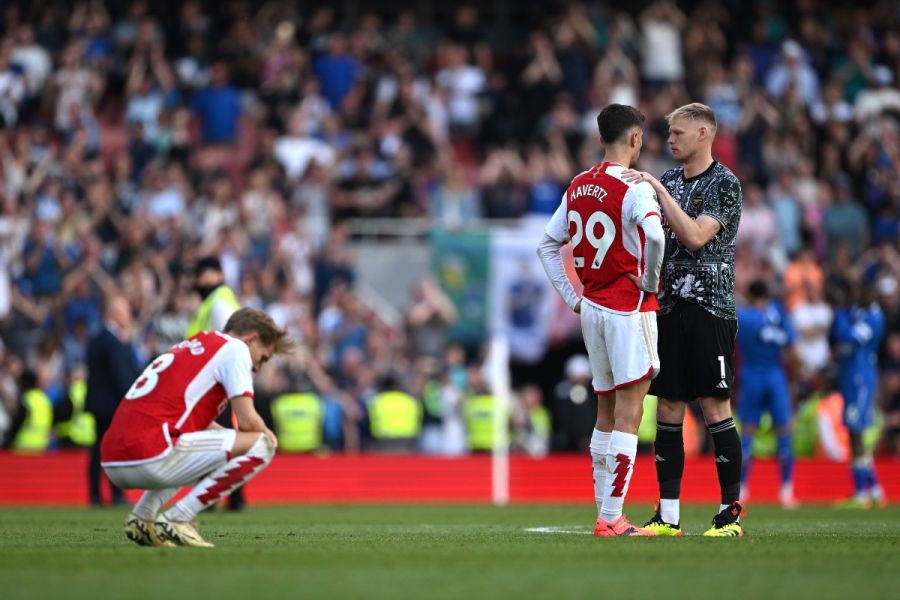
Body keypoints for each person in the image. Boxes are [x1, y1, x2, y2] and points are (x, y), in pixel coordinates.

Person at [538, 103, 665, 536]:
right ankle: (611, 518)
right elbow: (656, 235)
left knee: (605, 412)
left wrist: (573, 297)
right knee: (630, 414)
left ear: (600, 137)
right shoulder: (634, 187)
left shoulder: (577, 185)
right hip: (628, 309)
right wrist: (649, 280)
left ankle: (604, 512)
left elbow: (547, 245)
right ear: (635, 139)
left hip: (592, 309)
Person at [621, 102, 745, 537]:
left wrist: (656, 188)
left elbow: (693, 237)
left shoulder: (724, 184)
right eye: (669, 133)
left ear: (704, 133)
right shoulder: (671, 180)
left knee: (714, 407)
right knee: (668, 408)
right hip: (669, 308)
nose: (670, 139)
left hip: (711, 309)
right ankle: (668, 516)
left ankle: (730, 514)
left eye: (677, 133)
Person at [101, 307, 292, 547]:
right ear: (251, 339)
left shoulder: (195, 344)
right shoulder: (235, 349)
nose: (257, 368)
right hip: (150, 451)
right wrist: (268, 436)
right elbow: (247, 421)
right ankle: (179, 518)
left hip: (113, 458)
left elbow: (190, 419)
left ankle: (142, 517)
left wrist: (228, 441)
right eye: (262, 358)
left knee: (193, 443)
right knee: (262, 445)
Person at [186, 255, 246, 510]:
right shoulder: (219, 300)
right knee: (223, 439)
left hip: (214, 385)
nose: (197, 281)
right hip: (219, 382)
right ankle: (229, 497)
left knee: (213, 439)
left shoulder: (218, 302)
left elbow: (225, 343)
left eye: (201, 275)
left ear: (213, 275)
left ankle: (214, 498)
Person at [736, 281, 800, 509]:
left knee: (748, 436)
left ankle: (742, 489)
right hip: (776, 377)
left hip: (751, 377)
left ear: (750, 294)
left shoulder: (742, 317)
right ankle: (786, 490)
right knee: (784, 432)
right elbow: (793, 351)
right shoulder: (780, 314)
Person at [829, 276, 887, 508]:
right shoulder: (861, 312)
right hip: (850, 376)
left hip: (860, 377)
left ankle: (861, 492)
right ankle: (874, 490)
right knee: (855, 432)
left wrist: (840, 312)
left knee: (857, 431)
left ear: (871, 295)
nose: (857, 297)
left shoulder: (873, 318)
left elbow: (848, 337)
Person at [85, 295, 140, 506]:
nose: (129, 315)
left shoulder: (99, 338)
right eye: (126, 310)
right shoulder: (112, 341)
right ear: (115, 313)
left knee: (99, 450)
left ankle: (96, 495)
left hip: (100, 404)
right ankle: (114, 495)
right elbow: (121, 376)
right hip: (110, 406)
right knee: (110, 451)